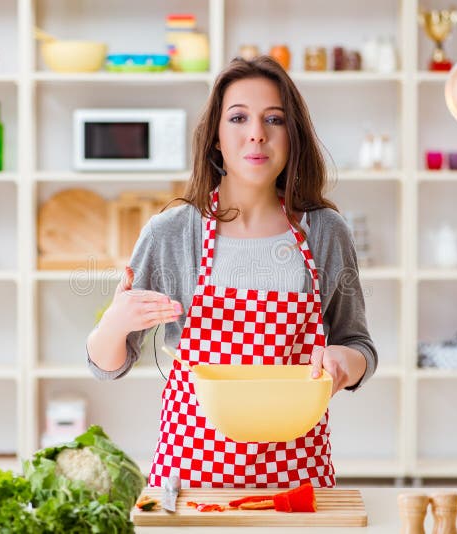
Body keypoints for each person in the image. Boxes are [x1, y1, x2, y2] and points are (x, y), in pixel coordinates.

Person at [86, 56, 377, 489]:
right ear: (217, 138)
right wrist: (114, 322)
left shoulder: (325, 233)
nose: (256, 132)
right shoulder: (173, 233)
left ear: (292, 136)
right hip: (190, 480)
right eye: (238, 117)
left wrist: (344, 365)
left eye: (274, 119)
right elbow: (106, 365)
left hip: (294, 481)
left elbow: (359, 346)